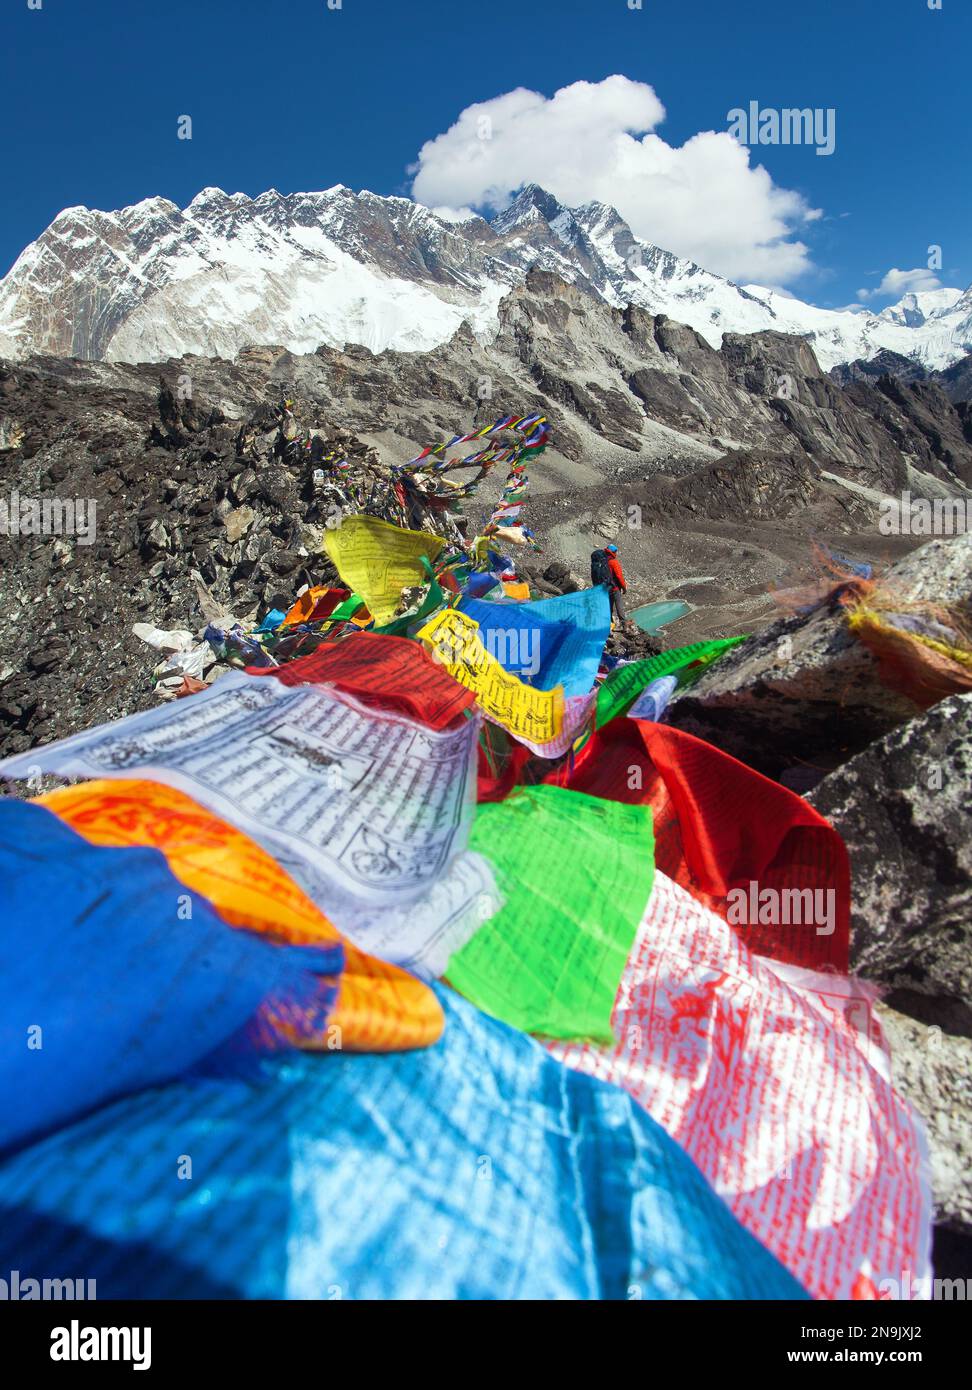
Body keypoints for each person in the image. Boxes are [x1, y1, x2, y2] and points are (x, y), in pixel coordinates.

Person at [590, 543, 627, 625]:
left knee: (608, 606)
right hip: (614, 588)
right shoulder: (613, 562)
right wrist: (624, 588)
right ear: (613, 552)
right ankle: (624, 624)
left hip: (604, 588)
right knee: (619, 605)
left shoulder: (602, 561)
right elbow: (619, 576)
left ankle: (608, 624)